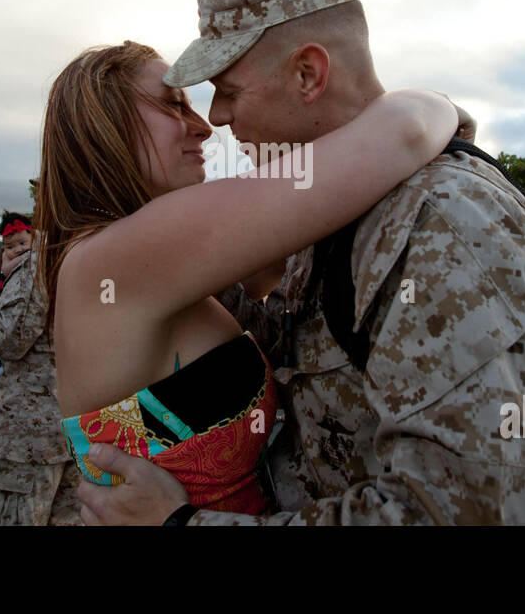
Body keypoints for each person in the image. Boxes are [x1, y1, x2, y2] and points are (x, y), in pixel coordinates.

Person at [75, 0, 525, 525]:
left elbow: (476, 513)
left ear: (308, 74)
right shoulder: (330, 217)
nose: (217, 119)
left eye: (228, 90)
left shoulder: (442, 217)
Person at [36, 34, 463, 517]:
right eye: (173, 105)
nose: (203, 126)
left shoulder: (130, 260)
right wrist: (441, 103)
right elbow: (405, 131)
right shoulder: (115, 258)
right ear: (102, 127)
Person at [0, 210, 80, 525]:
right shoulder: (80, 253)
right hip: (72, 425)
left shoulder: (33, 264)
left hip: (27, 437)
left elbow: (5, 339)